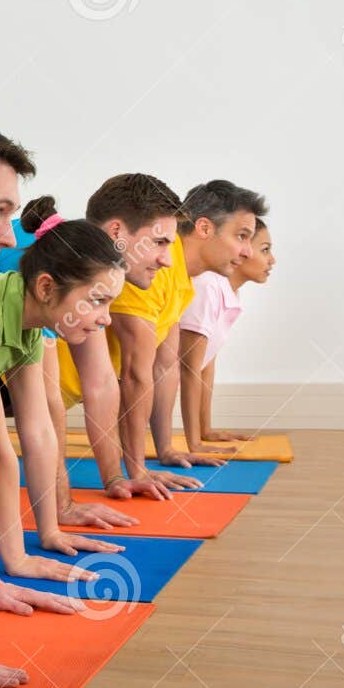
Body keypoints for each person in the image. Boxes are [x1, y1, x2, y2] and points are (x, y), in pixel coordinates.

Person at [0, 196, 128, 575]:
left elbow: (38, 433)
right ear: (47, 287)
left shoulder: (29, 323)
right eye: (98, 301)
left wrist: (49, 531)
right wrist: (16, 559)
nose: (107, 320)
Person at [69, 178, 265, 482]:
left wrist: (166, 449)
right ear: (204, 228)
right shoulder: (147, 272)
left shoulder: (181, 281)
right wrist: (137, 471)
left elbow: (165, 366)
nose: (247, 252)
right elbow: (135, 374)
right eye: (241, 236)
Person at [49, 173, 201, 514]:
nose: (167, 259)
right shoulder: (58, 270)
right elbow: (43, 404)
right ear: (117, 232)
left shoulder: (96, 284)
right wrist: (61, 506)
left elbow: (101, 382)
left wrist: (116, 479)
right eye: (159, 242)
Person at [179, 218, 275, 452]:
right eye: (265, 250)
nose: (272, 260)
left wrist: (206, 430)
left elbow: (205, 366)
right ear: (242, 251)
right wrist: (195, 444)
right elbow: (188, 367)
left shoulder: (228, 292)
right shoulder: (208, 286)